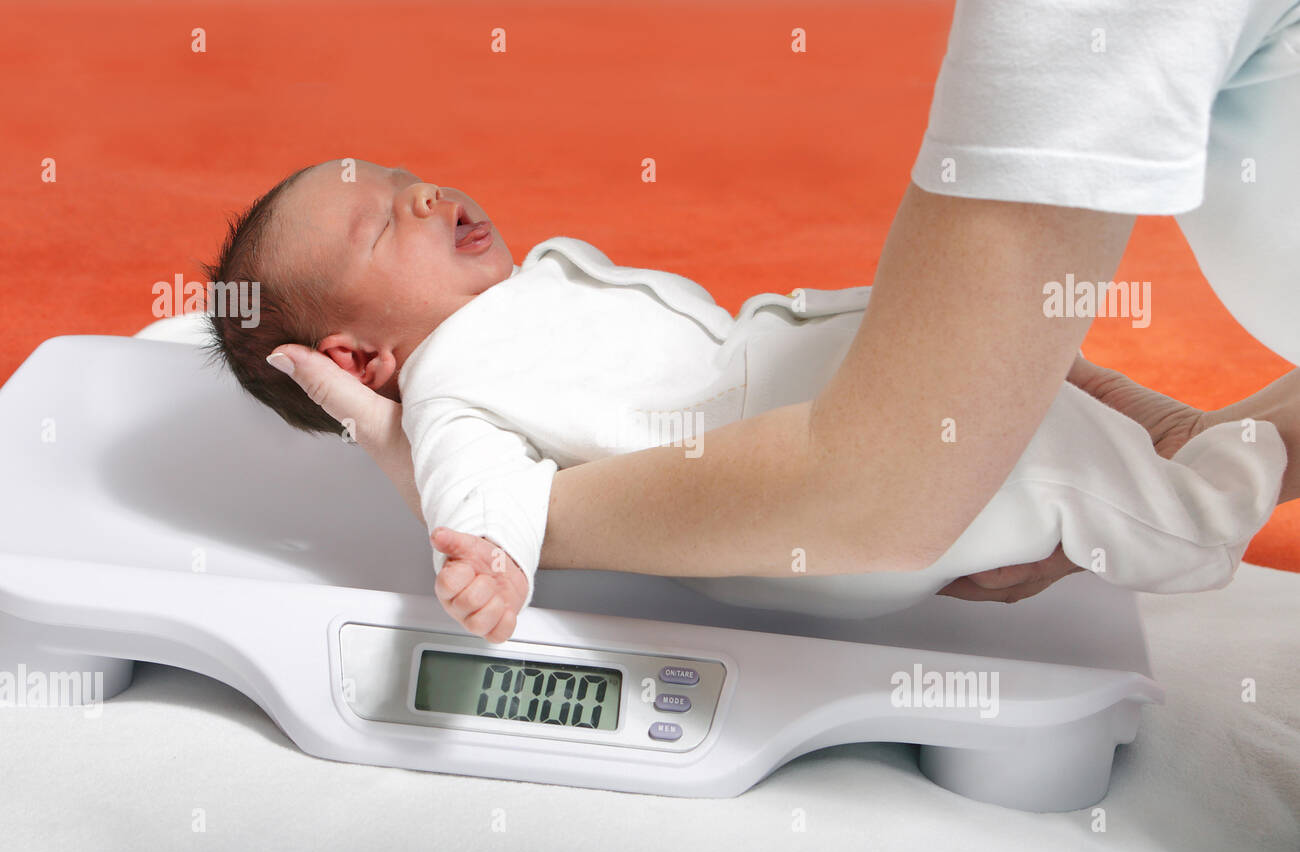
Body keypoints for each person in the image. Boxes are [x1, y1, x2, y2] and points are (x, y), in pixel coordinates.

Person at [262, 1, 1300, 637]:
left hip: (812, 425)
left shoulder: (522, 296)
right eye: (372, 228)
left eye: (404, 178)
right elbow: (465, 476)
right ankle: (1207, 496)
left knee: (1041, 427)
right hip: (811, 479)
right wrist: (498, 545)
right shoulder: (452, 380)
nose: (416, 195)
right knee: (1078, 472)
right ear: (360, 354)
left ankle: (1180, 454)